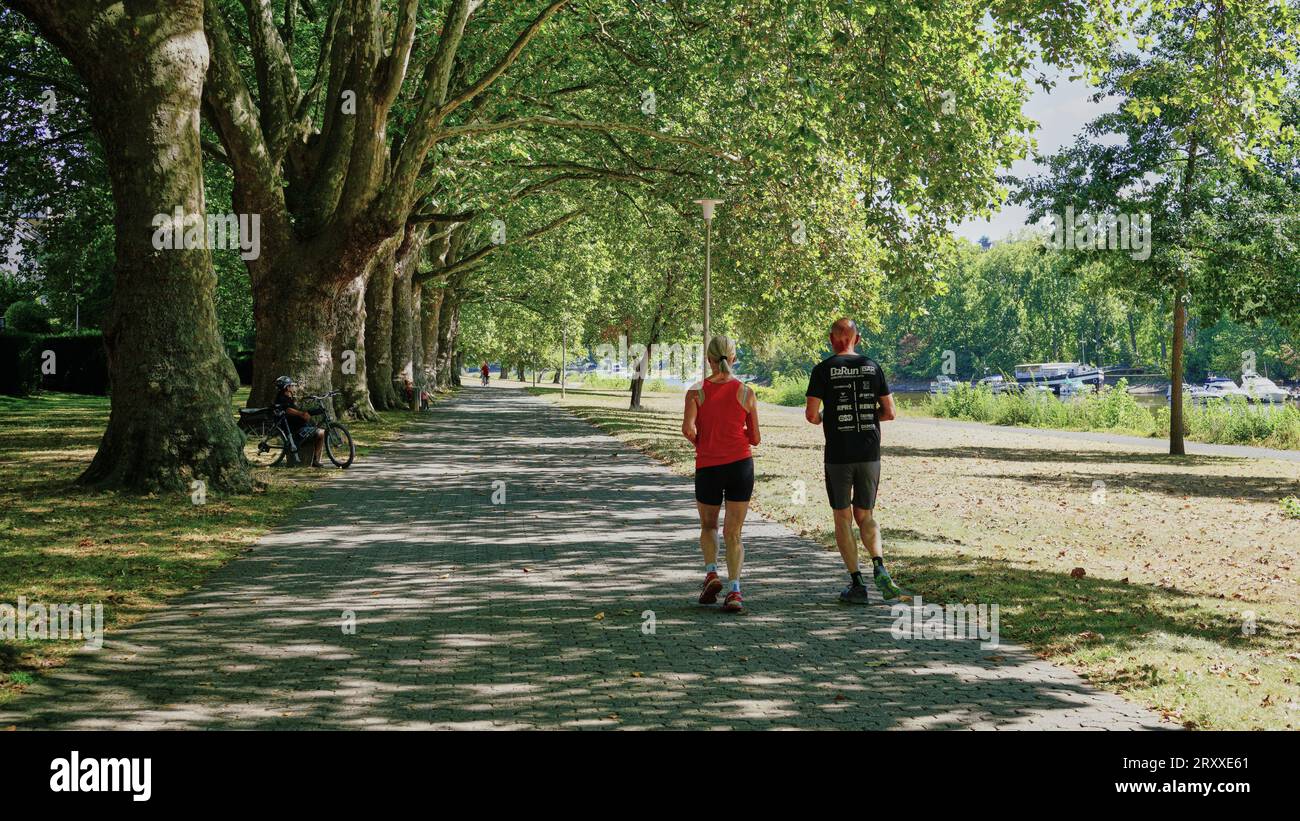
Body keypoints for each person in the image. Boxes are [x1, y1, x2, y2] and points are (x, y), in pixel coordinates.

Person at [804, 318, 904, 603]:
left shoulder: (823, 370)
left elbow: (812, 415)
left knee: (842, 516)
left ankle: (857, 584)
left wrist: (828, 415)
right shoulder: (873, 367)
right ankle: (879, 565)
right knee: (866, 515)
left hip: (838, 454)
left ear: (831, 339)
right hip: (869, 451)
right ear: (857, 339)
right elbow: (890, 412)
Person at [681, 335, 761, 613]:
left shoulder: (696, 392)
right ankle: (735, 591)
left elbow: (688, 429)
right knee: (734, 532)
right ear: (734, 358)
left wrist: (703, 443)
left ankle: (712, 573)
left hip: (708, 466)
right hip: (740, 466)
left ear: (708, 359)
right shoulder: (746, 392)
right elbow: (756, 438)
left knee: (709, 526)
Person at [273, 376, 326, 468]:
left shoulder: (286, 397)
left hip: (298, 426)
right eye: (291, 386)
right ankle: (315, 460)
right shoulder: (282, 399)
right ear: (286, 388)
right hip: (296, 430)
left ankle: (315, 459)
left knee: (316, 426)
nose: (293, 388)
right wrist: (301, 414)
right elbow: (288, 409)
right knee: (321, 433)